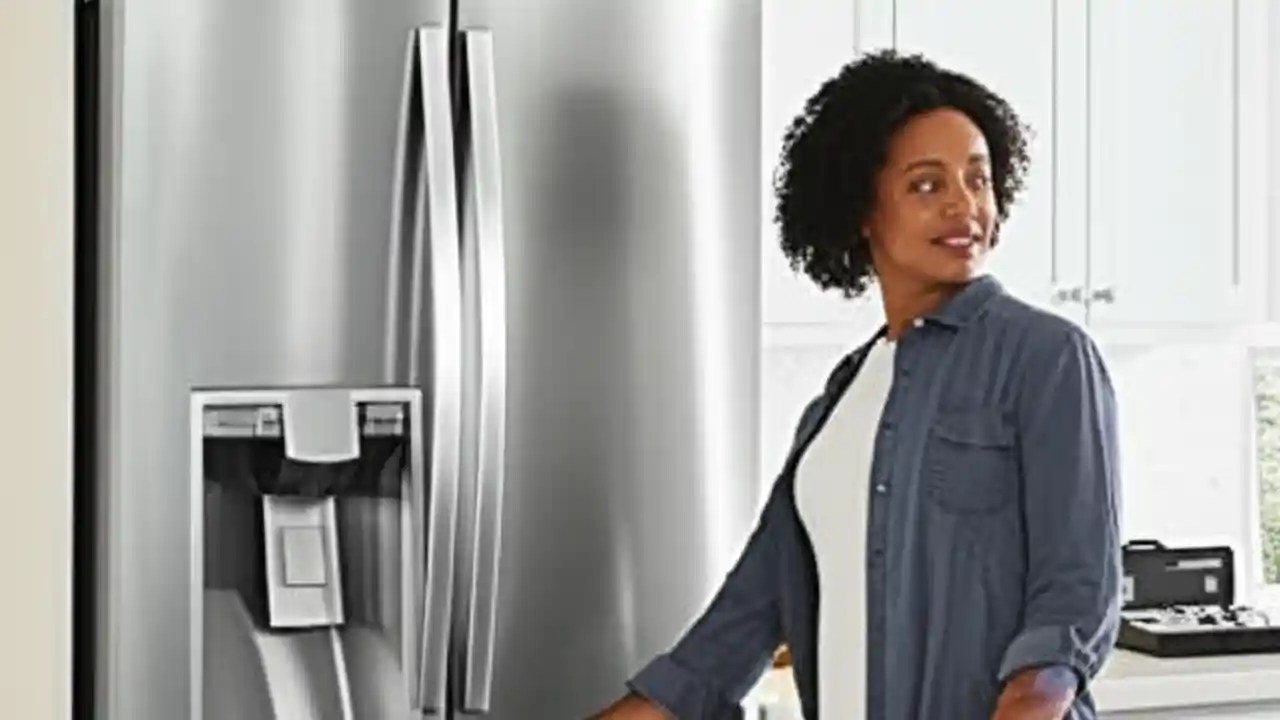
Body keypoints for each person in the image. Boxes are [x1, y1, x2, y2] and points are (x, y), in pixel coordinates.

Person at [590, 50, 1122, 719]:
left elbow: (1073, 601)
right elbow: (734, 632)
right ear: (861, 209)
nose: (965, 204)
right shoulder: (837, 405)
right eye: (927, 185)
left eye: (978, 180)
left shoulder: (1048, 358)